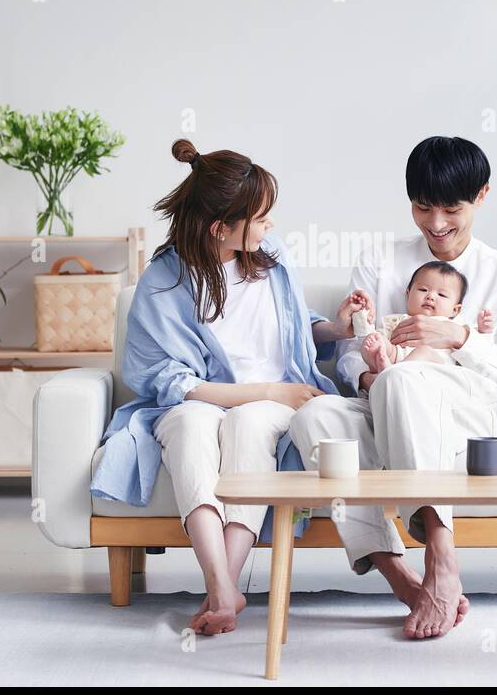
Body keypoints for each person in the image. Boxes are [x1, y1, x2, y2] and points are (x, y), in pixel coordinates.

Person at [89, 139, 366, 635]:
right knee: (193, 430)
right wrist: (265, 392)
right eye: (260, 218)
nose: (270, 226)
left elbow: (293, 328)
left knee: (250, 422)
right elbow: (168, 381)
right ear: (221, 228)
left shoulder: (271, 258)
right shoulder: (163, 283)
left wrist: (338, 329)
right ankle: (221, 584)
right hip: (200, 399)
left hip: (274, 398)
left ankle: (224, 587)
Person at [290, 136, 497, 639]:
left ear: (482, 196)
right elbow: (347, 354)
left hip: (464, 411)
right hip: (384, 399)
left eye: (452, 208)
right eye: (423, 208)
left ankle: (441, 556)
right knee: (312, 418)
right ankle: (401, 578)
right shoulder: (378, 260)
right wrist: (369, 374)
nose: (436, 223)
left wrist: (461, 337)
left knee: (404, 381)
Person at [358, 260, 494, 373]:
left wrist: (483, 331)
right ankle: (382, 369)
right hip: (395, 359)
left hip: (435, 371)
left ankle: (391, 373)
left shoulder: (457, 326)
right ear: (408, 295)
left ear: (455, 310)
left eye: (442, 295)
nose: (430, 296)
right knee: (374, 341)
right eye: (423, 290)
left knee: (424, 352)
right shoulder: (395, 321)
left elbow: (477, 350)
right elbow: (380, 338)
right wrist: (364, 318)